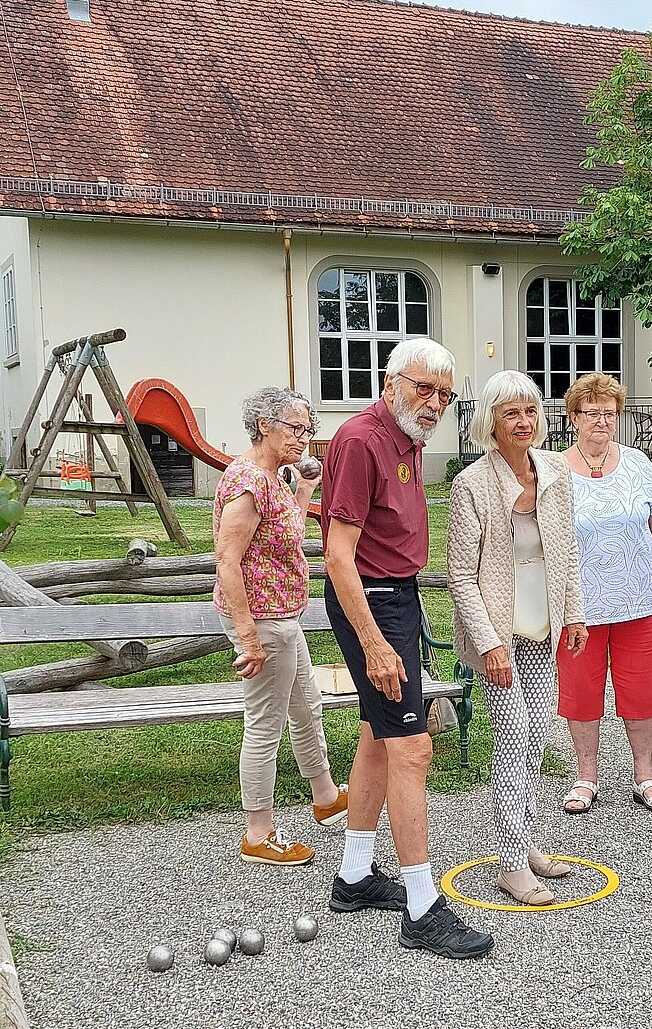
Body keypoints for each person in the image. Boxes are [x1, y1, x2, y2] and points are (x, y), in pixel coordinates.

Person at [322, 338, 493, 959]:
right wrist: (374, 641)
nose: (435, 403)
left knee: (378, 734)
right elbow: (337, 556)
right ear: (391, 381)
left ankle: (355, 876)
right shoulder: (363, 440)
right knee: (413, 747)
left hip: (396, 592)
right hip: (372, 600)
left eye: (445, 394)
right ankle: (423, 908)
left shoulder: (407, 440)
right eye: (424, 388)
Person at [447, 371, 588, 906]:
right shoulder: (471, 484)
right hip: (499, 633)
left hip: (541, 626)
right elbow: (460, 575)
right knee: (511, 741)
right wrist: (488, 643)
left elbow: (568, 551)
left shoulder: (555, 471)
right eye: (511, 413)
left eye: (530, 411)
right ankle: (510, 863)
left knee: (534, 741)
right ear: (490, 422)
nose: (524, 422)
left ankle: (525, 843)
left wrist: (575, 615)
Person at [213, 387, 346, 866]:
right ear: (264, 425)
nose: (304, 438)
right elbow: (227, 560)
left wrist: (306, 487)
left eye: (308, 429)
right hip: (263, 622)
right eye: (296, 428)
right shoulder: (249, 482)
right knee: (265, 723)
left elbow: (285, 530)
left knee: (307, 706)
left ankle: (327, 797)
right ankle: (258, 832)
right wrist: (248, 638)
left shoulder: (273, 477)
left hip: (284, 616)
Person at [557, 372, 652, 816]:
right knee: (581, 691)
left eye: (609, 413)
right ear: (573, 418)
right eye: (591, 413)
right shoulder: (553, 470)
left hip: (639, 600)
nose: (601, 421)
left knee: (640, 690)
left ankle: (644, 775)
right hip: (579, 606)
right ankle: (585, 776)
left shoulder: (638, 464)